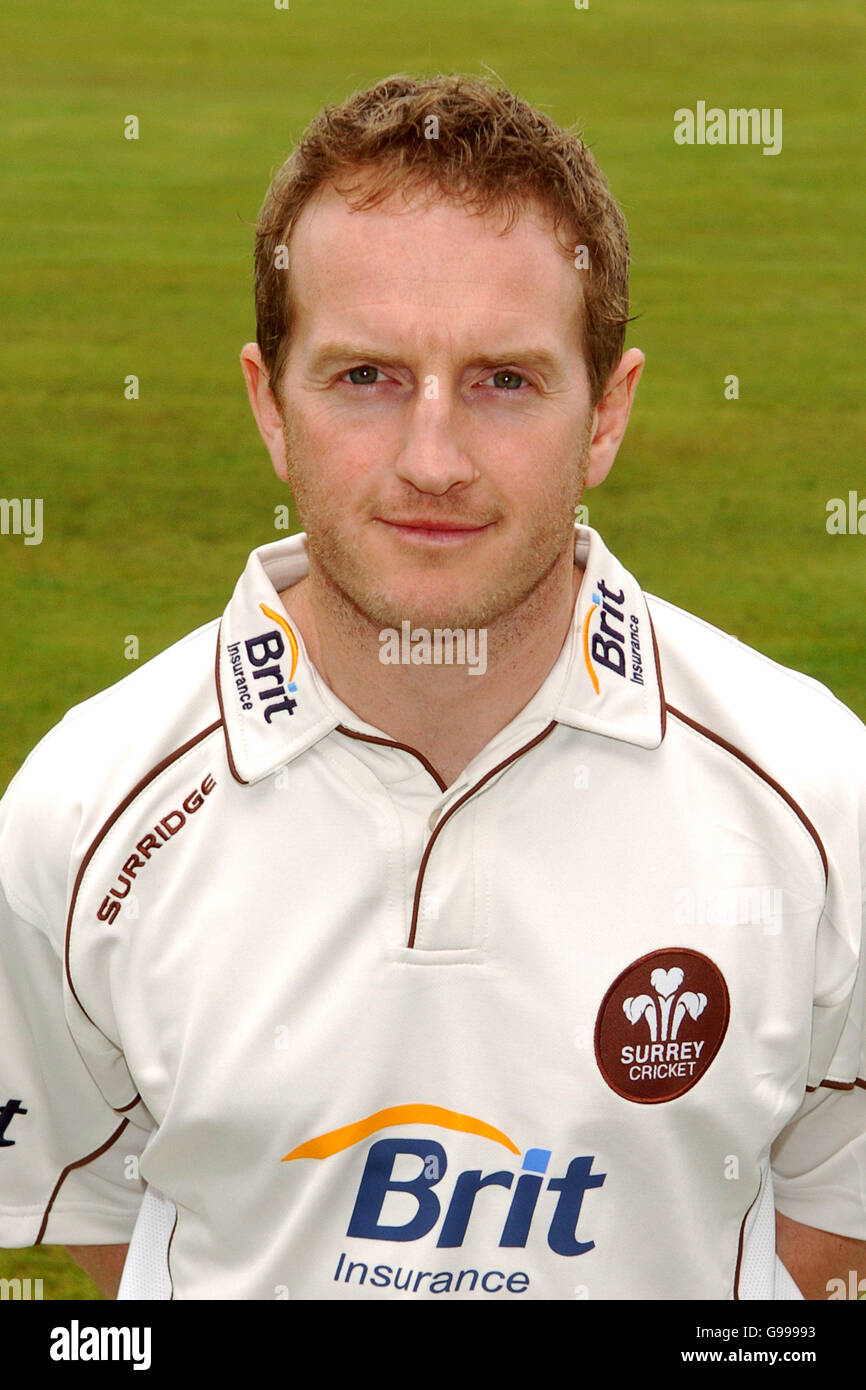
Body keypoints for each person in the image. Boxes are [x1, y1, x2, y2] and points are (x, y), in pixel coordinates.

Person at [1, 74, 864, 1302]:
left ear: (606, 414)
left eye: (504, 381)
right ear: (268, 405)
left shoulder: (819, 793)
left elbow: (836, 1201)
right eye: (364, 378)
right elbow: (102, 1210)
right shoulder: (81, 815)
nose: (432, 459)